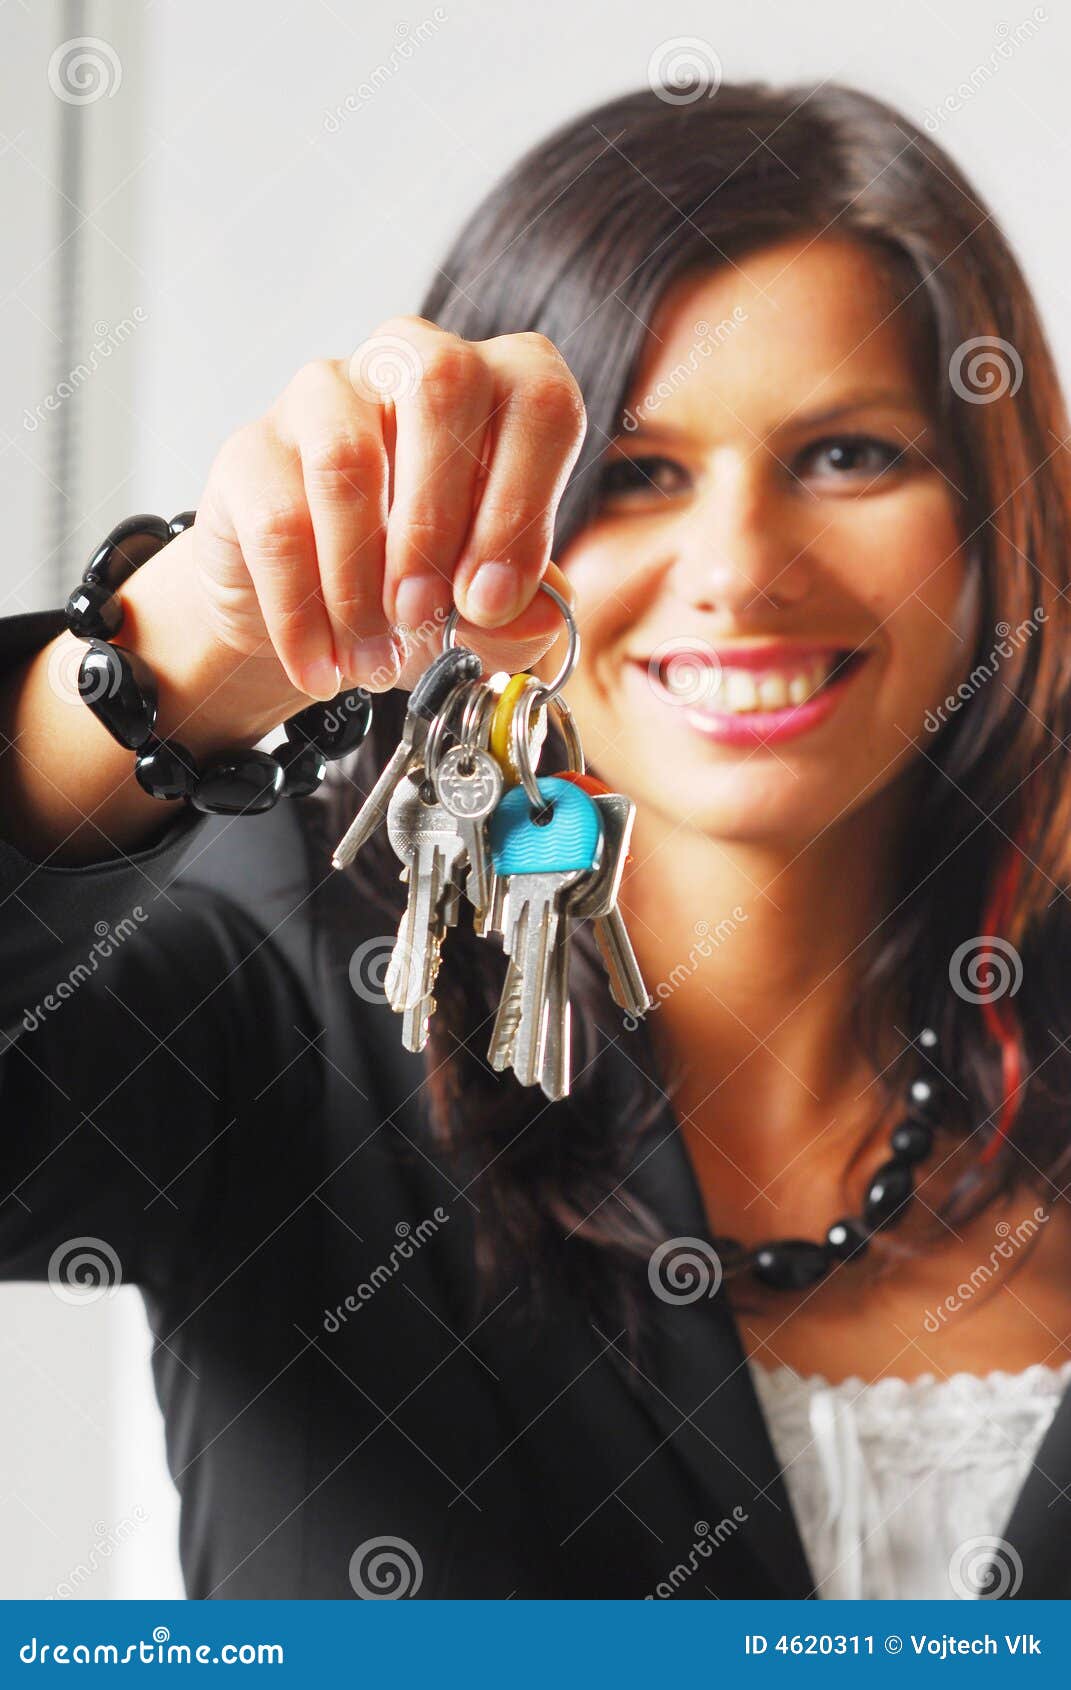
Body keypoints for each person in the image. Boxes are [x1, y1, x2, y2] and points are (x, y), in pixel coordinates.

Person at [2, 79, 1070, 1602]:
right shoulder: (272, 981)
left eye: (846, 454)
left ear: (992, 502)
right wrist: (161, 662)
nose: (740, 570)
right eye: (634, 474)